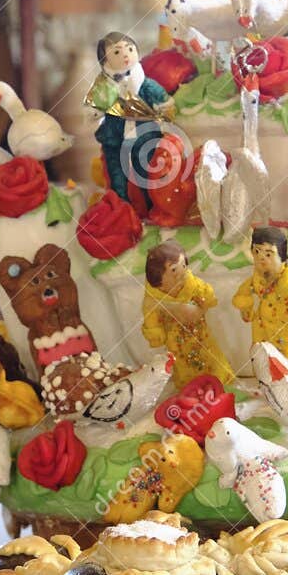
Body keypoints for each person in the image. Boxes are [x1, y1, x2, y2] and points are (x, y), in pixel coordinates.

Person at [88, 31, 167, 214]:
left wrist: (164, 113)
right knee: (117, 177)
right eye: (116, 52)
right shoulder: (104, 88)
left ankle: (151, 209)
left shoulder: (145, 85)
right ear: (105, 61)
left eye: (130, 49)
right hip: (115, 139)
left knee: (148, 174)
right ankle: (121, 210)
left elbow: (164, 101)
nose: (125, 54)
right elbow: (94, 109)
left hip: (144, 139)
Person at [141, 240, 235, 387]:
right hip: (176, 343)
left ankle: (219, 383)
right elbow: (151, 320)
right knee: (185, 368)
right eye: (173, 270)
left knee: (211, 359)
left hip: (201, 335)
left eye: (183, 265)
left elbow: (207, 297)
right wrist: (156, 335)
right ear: (158, 279)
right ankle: (192, 389)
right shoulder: (152, 299)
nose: (181, 272)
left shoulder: (193, 284)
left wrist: (201, 307)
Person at [232, 227, 288, 375]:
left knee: (286, 365)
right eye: (257, 252)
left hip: (283, 334)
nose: (261, 258)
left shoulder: (287, 286)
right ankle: (266, 384)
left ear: (282, 257)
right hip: (262, 330)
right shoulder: (257, 279)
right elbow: (244, 291)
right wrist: (245, 306)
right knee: (263, 362)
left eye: (268, 254)